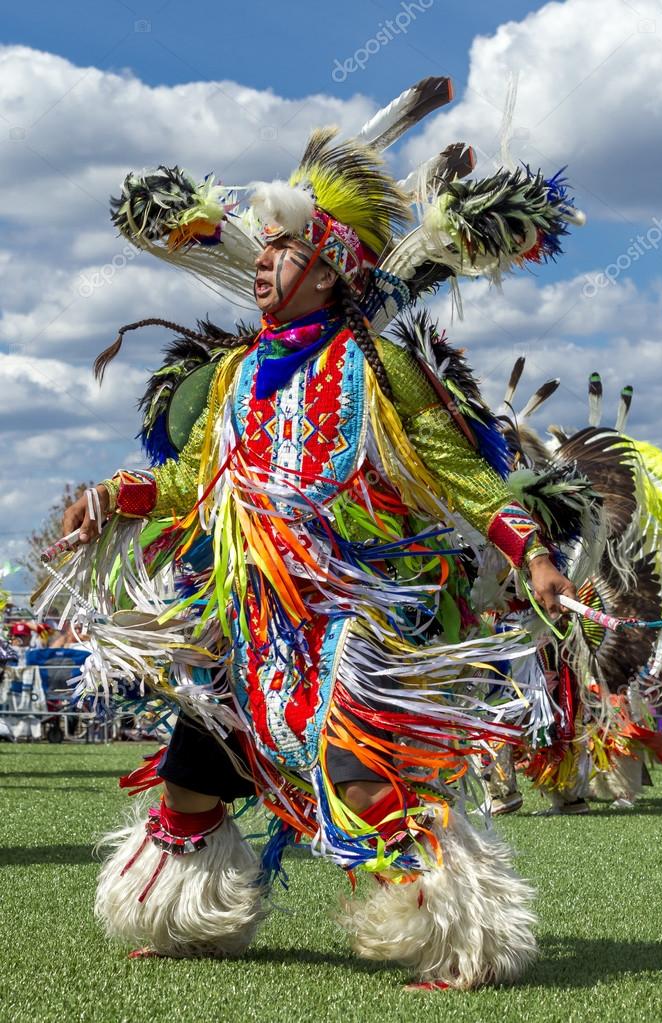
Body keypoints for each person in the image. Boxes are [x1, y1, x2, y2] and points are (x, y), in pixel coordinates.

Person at [50, 78, 583, 989]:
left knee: (367, 780)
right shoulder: (234, 376)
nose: (260, 263)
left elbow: (465, 473)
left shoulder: (379, 371)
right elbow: (190, 479)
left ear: (332, 267)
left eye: (284, 249)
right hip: (250, 614)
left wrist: (528, 550)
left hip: (352, 613)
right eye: (262, 250)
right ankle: (187, 914)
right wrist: (115, 497)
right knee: (192, 773)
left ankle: (458, 936)